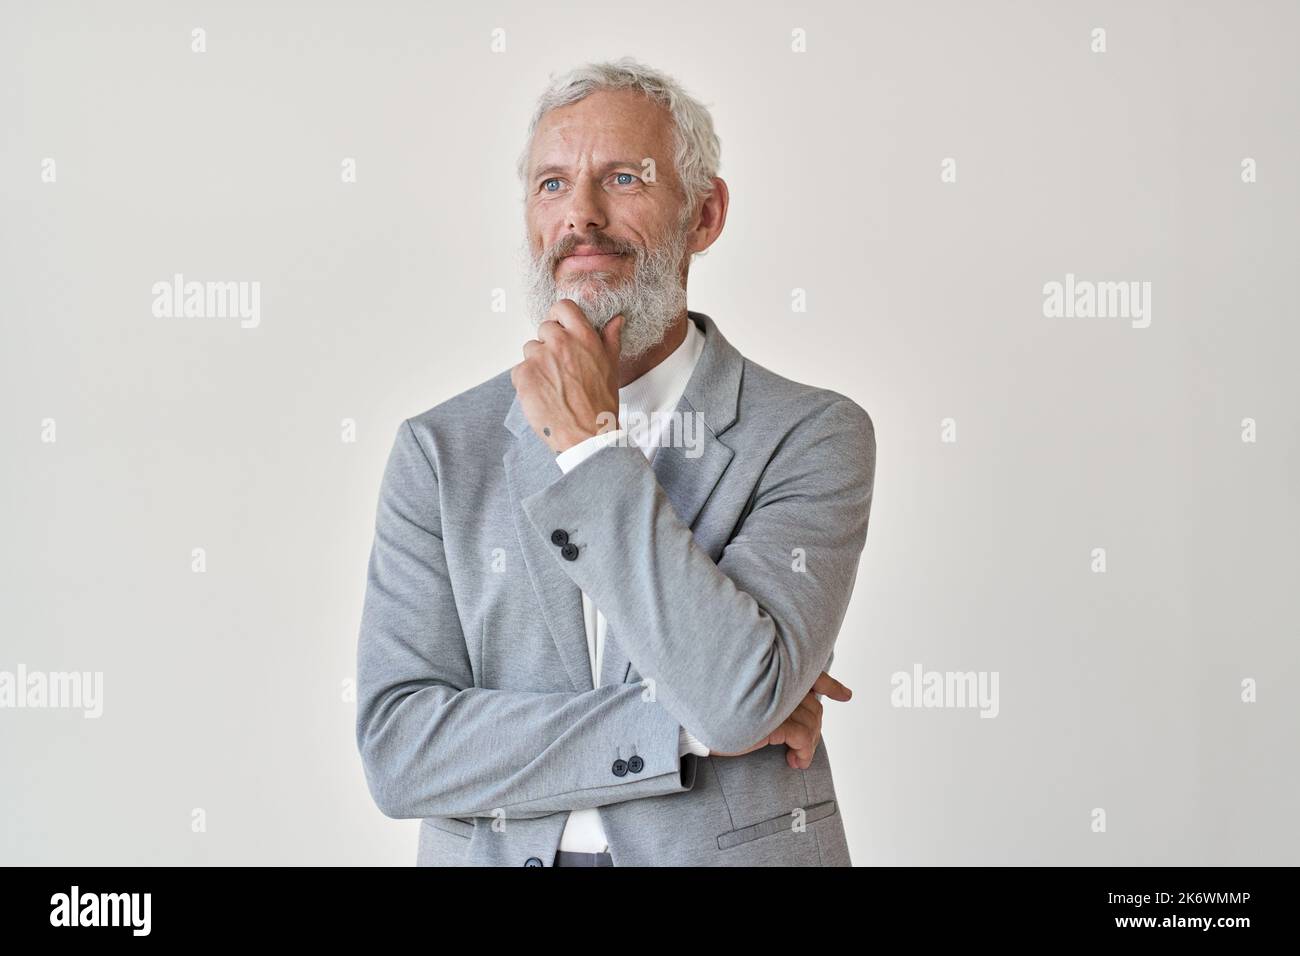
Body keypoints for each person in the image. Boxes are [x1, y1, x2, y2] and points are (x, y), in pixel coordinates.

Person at [355, 57, 875, 866]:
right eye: (552, 184)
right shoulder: (439, 450)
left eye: (624, 178)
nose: (581, 217)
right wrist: (679, 728)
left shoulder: (812, 435)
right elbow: (399, 751)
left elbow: (736, 700)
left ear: (703, 215)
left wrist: (592, 446)